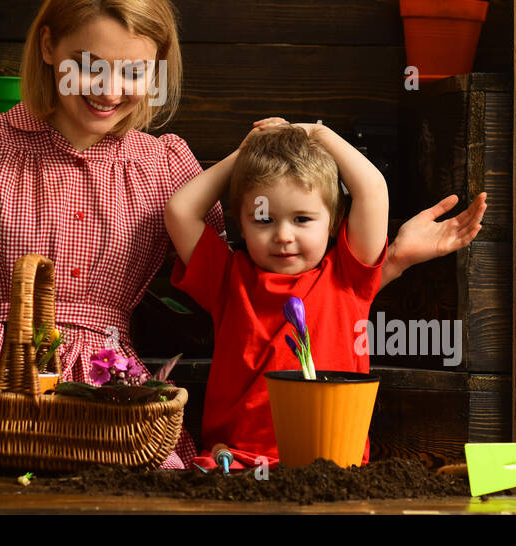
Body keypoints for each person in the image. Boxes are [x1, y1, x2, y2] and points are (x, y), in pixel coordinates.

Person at [0, 0, 488, 469]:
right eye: (91, 66)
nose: (111, 91)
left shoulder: (164, 167)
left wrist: (388, 259)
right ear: (47, 47)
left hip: (114, 408)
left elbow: (258, 296)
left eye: (134, 73)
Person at [166, 117, 388, 468]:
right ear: (241, 221)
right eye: (264, 219)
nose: (284, 235)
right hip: (238, 461)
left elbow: (373, 189)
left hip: (333, 463)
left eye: (302, 219)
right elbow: (180, 211)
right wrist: (244, 154)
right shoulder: (227, 279)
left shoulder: (349, 277)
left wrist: (317, 133)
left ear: (334, 220)